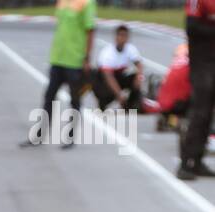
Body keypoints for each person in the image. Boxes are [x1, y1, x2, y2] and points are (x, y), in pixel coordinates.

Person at [25, 0, 95, 147]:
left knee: (74, 100)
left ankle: (70, 137)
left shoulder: (87, 3)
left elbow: (90, 31)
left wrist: (87, 58)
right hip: (57, 58)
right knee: (49, 96)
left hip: (74, 60)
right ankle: (39, 135)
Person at [178, 0, 215, 179]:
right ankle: (185, 162)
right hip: (202, 60)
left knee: (208, 113)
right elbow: (191, 27)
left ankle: (198, 160)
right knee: (200, 111)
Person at [92, 24, 144, 112]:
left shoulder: (130, 49)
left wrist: (139, 78)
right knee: (106, 92)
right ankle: (104, 102)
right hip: (105, 80)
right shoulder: (107, 53)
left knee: (135, 77)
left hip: (119, 75)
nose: (122, 38)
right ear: (116, 37)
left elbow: (139, 64)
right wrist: (119, 95)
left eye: (125, 36)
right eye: (120, 35)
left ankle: (131, 105)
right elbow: (108, 77)